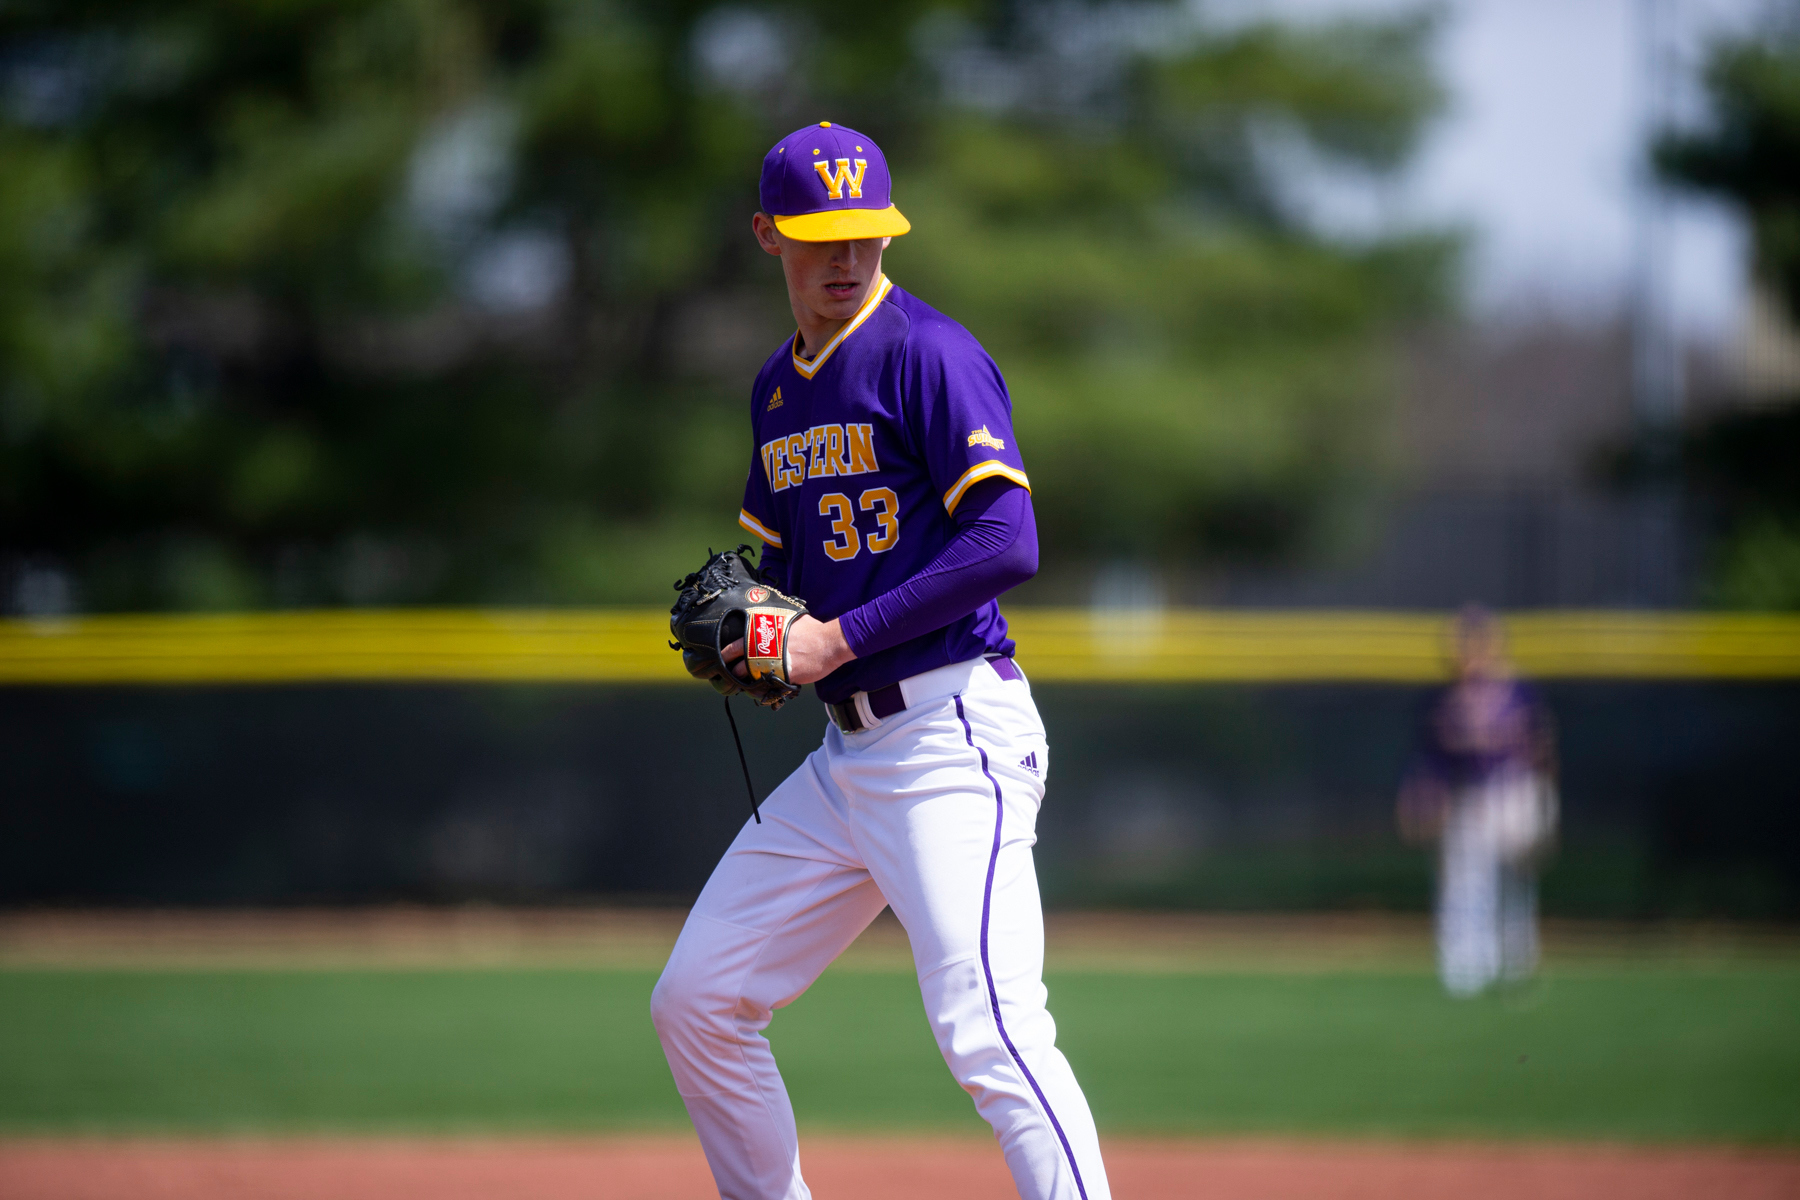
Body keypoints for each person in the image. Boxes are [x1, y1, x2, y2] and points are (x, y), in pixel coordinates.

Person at [650, 123, 1111, 1200]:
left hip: (952, 736)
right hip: (847, 761)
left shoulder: (927, 354)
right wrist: (761, 631)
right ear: (768, 235)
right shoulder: (778, 389)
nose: (847, 256)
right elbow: (784, 570)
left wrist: (835, 638)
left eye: (865, 232)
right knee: (698, 999)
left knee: (990, 1029)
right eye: (820, 237)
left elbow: (1008, 541)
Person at [1398, 606, 1558, 997]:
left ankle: (1516, 964)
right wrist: (1423, 795)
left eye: (1475, 643)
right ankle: (1465, 968)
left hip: (1514, 790)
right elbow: (1431, 760)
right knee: (1464, 881)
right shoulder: (1443, 699)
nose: (1467, 653)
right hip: (1468, 794)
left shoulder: (1519, 691)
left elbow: (1543, 749)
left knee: (1515, 881)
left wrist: (1545, 807)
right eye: (1461, 645)